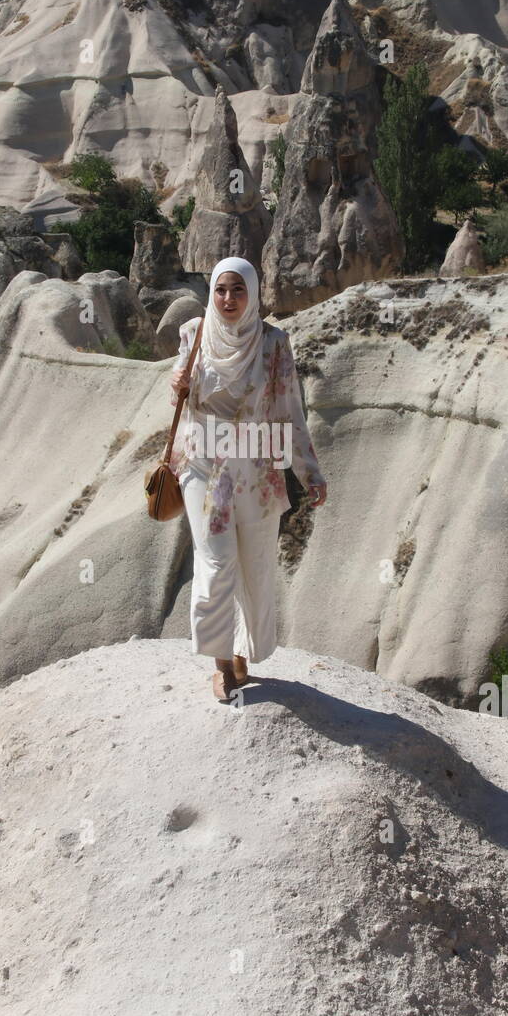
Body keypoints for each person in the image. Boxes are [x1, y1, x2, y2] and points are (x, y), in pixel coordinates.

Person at [168, 256, 327, 702]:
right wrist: (176, 386)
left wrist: (309, 471)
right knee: (217, 562)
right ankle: (221, 664)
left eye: (238, 289)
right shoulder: (194, 333)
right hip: (204, 466)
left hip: (256, 468)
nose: (228, 298)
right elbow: (180, 397)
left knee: (254, 567)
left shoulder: (274, 343)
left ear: (253, 293)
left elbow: (289, 410)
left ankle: (241, 653)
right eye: (220, 289)